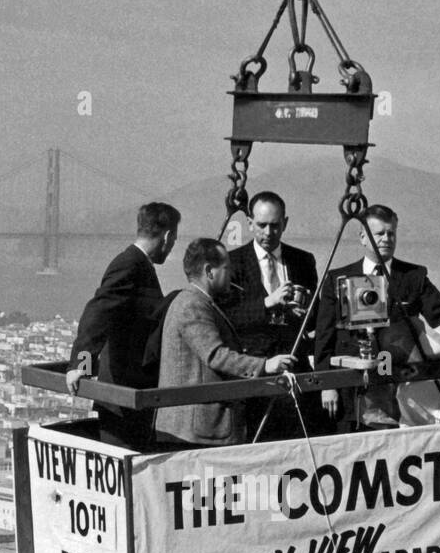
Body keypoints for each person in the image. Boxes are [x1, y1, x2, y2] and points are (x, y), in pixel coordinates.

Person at [312, 204, 440, 428]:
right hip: (351, 391)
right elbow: (324, 337)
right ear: (363, 237)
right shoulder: (337, 279)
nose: (387, 239)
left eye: (391, 233)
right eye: (379, 233)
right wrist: (326, 384)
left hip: (398, 390)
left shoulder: (413, 277)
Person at [153, 238, 295, 449]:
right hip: (197, 433)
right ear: (209, 271)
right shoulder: (192, 305)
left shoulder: (198, 302)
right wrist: (265, 365)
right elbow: (215, 355)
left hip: (196, 430)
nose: (231, 274)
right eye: (226, 268)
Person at [66, 201, 180, 449]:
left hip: (129, 395)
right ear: (167, 236)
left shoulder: (136, 263)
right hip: (120, 397)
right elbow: (97, 314)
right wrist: (81, 365)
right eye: (173, 241)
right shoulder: (130, 264)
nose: (171, 247)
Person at [226, 191, 320, 441]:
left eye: (275, 226)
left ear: (285, 224)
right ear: (249, 223)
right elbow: (228, 318)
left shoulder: (303, 261)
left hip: (294, 367)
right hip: (254, 372)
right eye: (262, 225)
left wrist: (301, 312)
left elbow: (316, 315)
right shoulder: (232, 263)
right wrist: (268, 303)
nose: (268, 233)